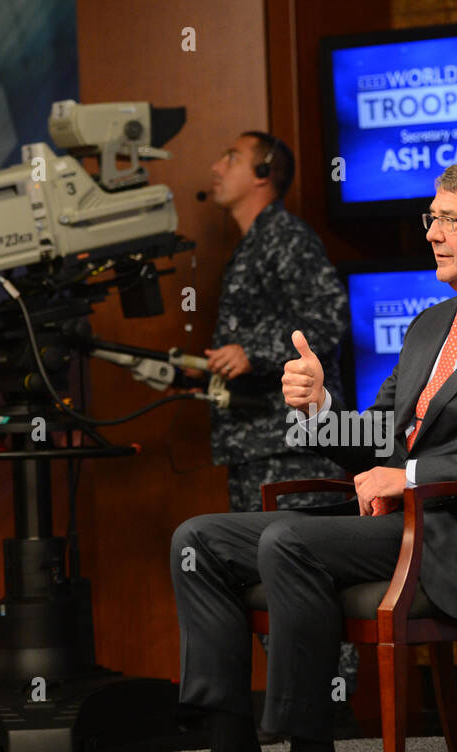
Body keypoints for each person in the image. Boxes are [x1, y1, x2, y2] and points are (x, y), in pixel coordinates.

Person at [136, 160, 457, 752]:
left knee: (287, 540)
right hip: (401, 526)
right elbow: (382, 438)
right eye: (430, 219)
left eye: (449, 220)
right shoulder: (432, 323)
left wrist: (410, 477)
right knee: (198, 540)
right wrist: (323, 407)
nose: (433, 233)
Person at [202, 131, 360, 710]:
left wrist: (256, 351)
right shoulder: (252, 244)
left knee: (306, 585)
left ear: (265, 171)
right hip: (257, 446)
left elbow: (328, 317)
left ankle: (333, 724)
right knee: (264, 587)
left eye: (231, 157)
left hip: (294, 446)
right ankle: (300, 718)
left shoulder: (287, 236)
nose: (216, 166)